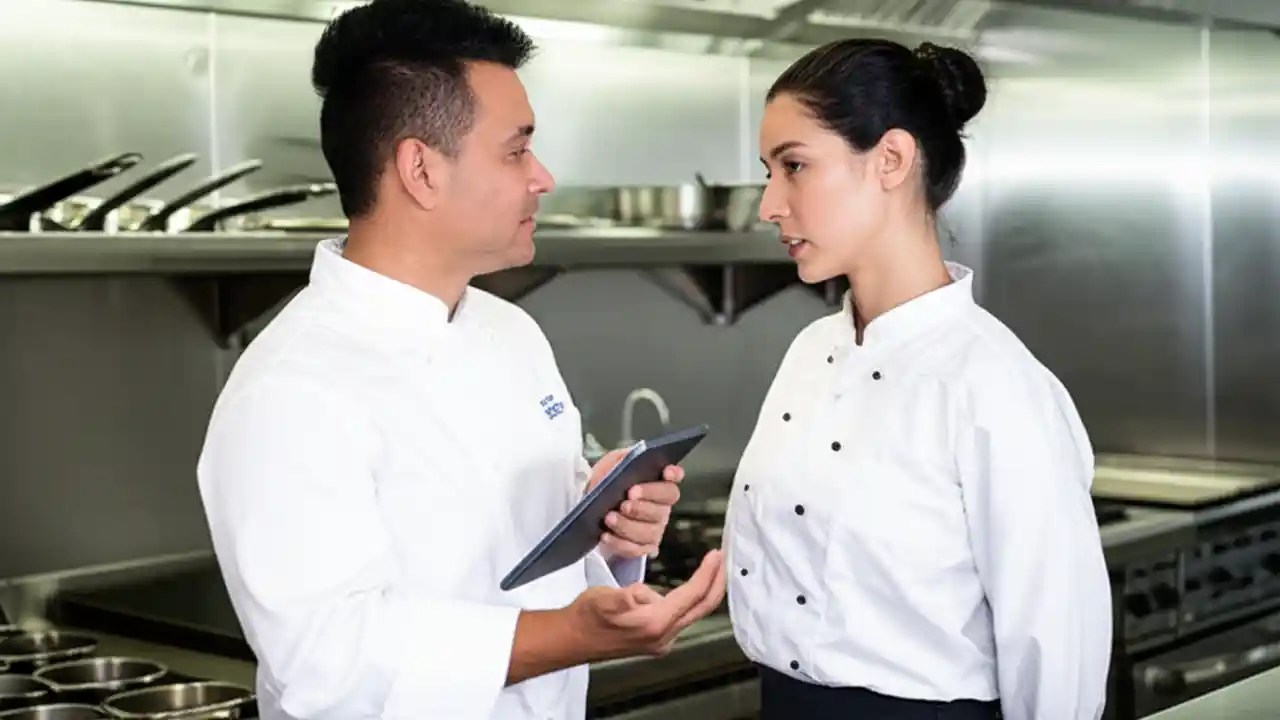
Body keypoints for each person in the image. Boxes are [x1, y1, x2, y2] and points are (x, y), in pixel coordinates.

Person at [195, 1, 725, 718]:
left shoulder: (511, 333)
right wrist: (570, 634)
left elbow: (516, 563)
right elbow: (328, 660)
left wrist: (602, 524)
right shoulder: (291, 387)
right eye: (516, 150)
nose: (542, 177)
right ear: (420, 169)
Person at [723, 38, 1112, 720]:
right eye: (768, 172)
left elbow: (1057, 649)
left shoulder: (993, 385)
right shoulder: (811, 350)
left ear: (892, 160)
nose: (769, 205)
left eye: (794, 167)